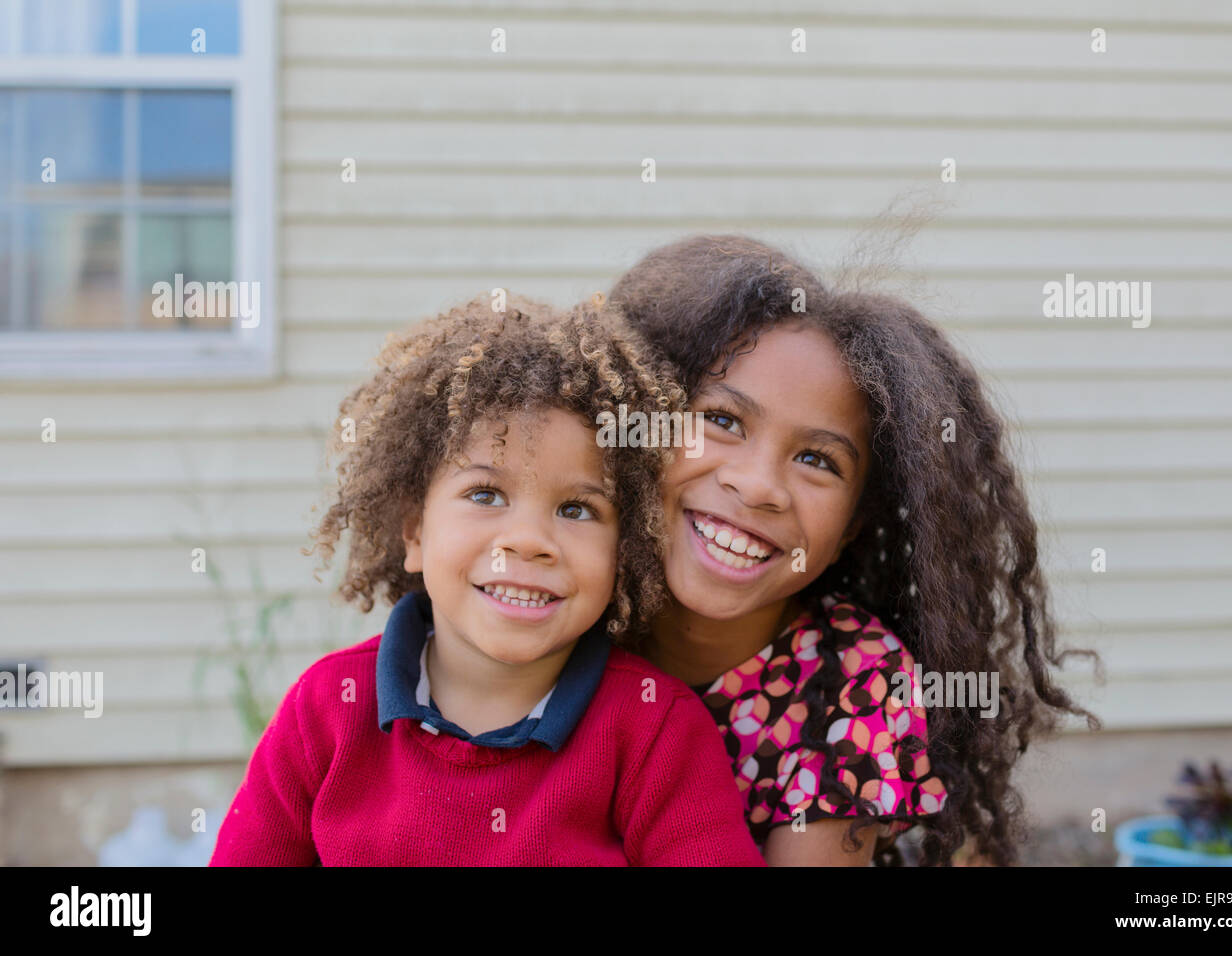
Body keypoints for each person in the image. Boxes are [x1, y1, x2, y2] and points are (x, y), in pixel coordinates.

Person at [209, 294, 765, 866]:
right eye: (484, 495)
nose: (527, 540)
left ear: (625, 551)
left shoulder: (653, 728)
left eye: (577, 509)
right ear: (414, 533)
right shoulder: (327, 709)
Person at [608, 235, 1102, 865]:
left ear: (852, 527)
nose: (758, 486)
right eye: (724, 421)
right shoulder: (565, 597)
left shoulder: (855, 685)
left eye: (817, 460)